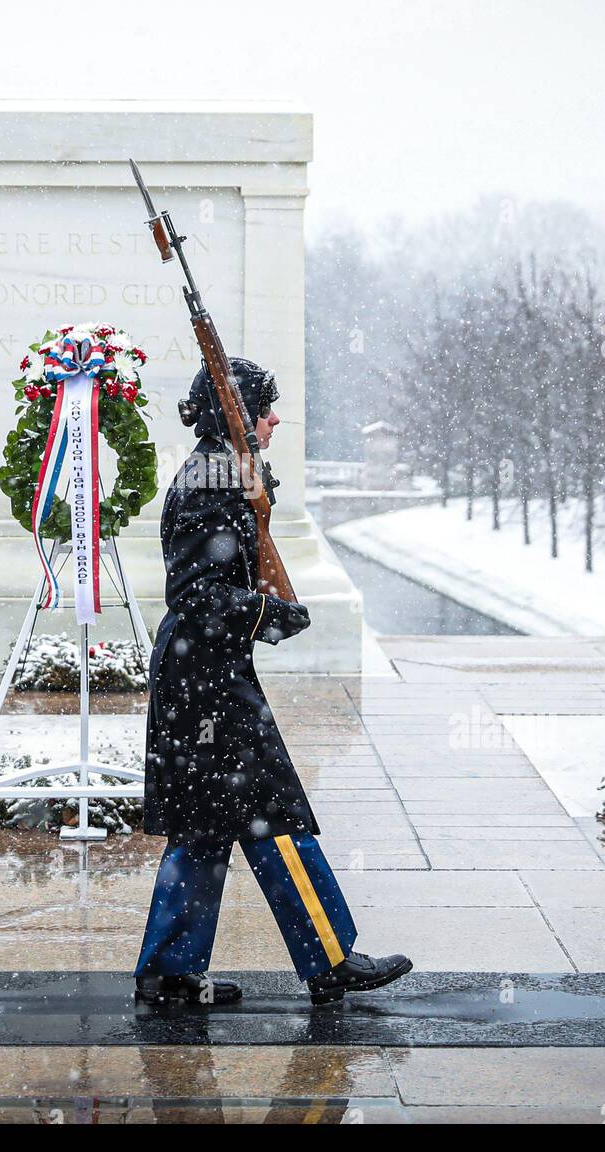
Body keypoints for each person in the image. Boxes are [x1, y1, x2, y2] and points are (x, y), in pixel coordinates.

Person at [133, 357, 413, 1007]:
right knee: (272, 820)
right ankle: (330, 958)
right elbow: (201, 595)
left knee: (205, 823)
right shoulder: (212, 481)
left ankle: (173, 971)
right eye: (264, 407)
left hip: (199, 672)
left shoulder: (218, 471)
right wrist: (269, 614)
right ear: (235, 415)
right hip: (208, 680)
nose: (276, 417)